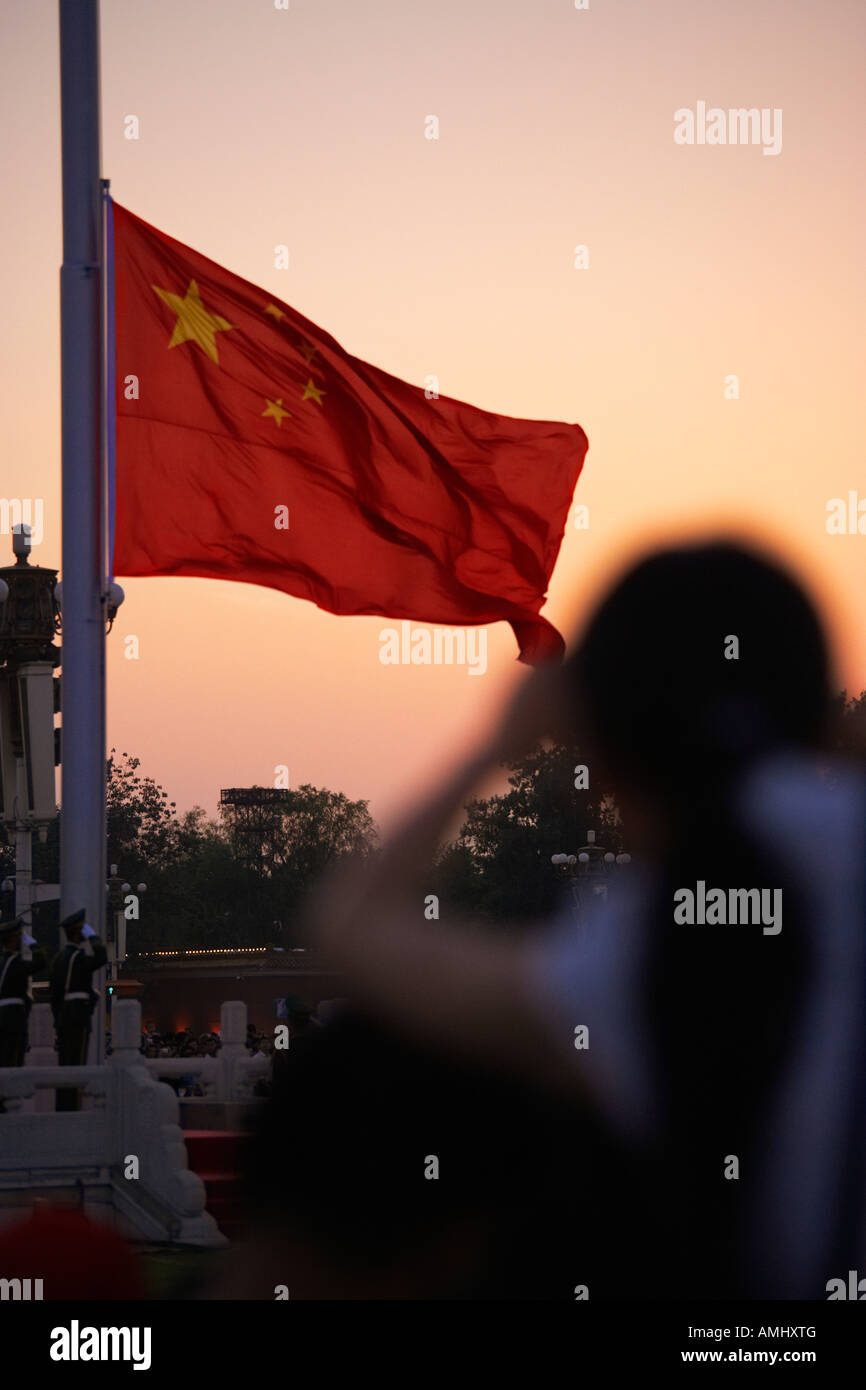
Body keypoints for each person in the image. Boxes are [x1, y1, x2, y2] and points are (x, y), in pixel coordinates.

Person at [299, 538, 866, 1299]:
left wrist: (495, 747)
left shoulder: (649, 944)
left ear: (596, 746)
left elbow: (352, 925)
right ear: (823, 709)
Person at [50, 907, 107, 1111]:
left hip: (65, 1015)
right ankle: (72, 1106)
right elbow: (101, 958)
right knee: (77, 1062)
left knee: (65, 1062)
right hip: (78, 1014)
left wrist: (58, 1019)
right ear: (77, 932)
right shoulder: (78, 957)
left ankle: (63, 1105)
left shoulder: (58, 960)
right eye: (83, 929)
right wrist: (94, 938)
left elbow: (54, 996)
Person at [0, 916, 47, 1072]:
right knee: (13, 1061)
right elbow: (41, 962)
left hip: (4, 1015)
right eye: (20, 937)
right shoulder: (15, 963)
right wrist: (31, 943)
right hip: (13, 1018)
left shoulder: (3, 963)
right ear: (14, 939)